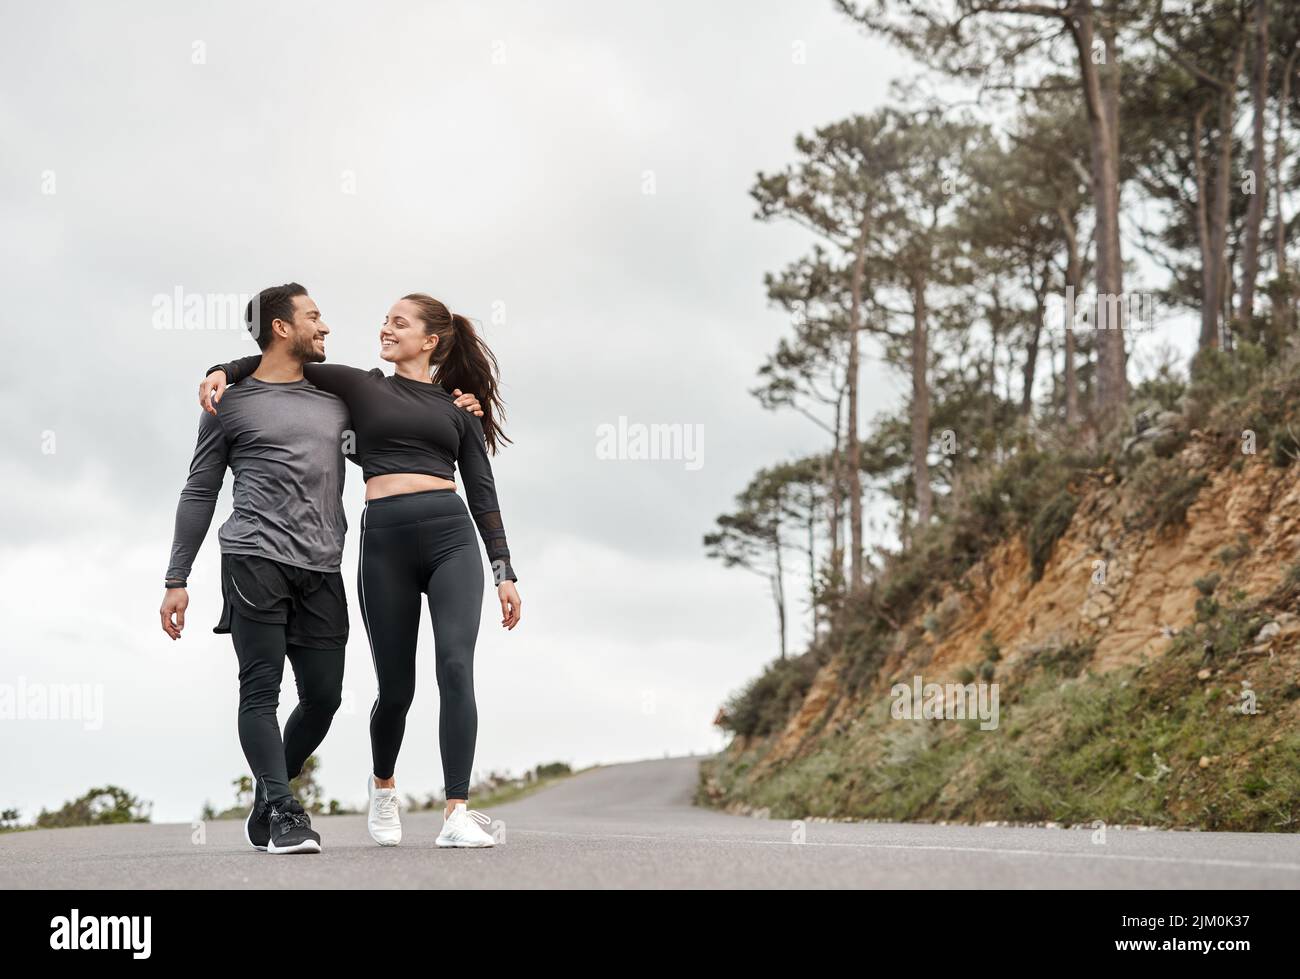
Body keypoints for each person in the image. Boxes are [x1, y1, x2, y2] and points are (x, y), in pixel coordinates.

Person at [161, 283, 482, 854]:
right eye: (314, 317)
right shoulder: (228, 404)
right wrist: (176, 578)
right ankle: (284, 809)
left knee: (325, 697)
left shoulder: (335, 401)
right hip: (252, 554)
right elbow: (199, 490)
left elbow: (399, 432)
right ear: (282, 327)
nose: (327, 326)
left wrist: (454, 409)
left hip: (322, 564)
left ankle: (268, 794)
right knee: (260, 689)